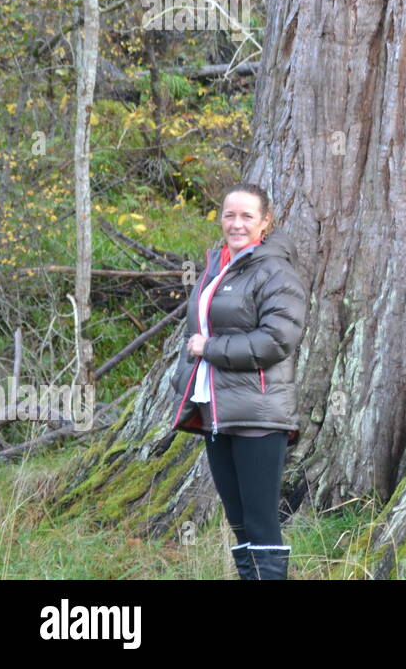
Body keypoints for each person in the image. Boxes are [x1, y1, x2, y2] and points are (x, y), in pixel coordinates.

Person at [168, 182, 309, 580]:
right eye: (230, 214)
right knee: (240, 522)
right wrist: (187, 379)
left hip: (260, 413)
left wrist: (209, 348)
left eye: (247, 215)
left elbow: (277, 340)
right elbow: (194, 334)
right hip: (217, 411)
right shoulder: (219, 266)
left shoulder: (276, 271)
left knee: (261, 522)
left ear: (265, 222)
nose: (237, 223)